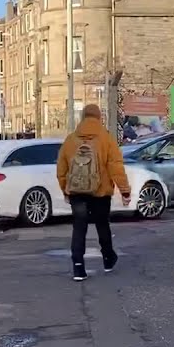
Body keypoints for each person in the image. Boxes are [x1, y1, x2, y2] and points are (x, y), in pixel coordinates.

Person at [56, 103, 131, 281]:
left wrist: (66, 189)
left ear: (82, 117)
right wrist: (125, 191)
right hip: (101, 191)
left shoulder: (70, 140)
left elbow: (61, 168)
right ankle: (107, 259)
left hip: (77, 192)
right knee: (102, 225)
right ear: (99, 118)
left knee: (79, 227)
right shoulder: (106, 138)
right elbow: (116, 167)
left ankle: (78, 267)